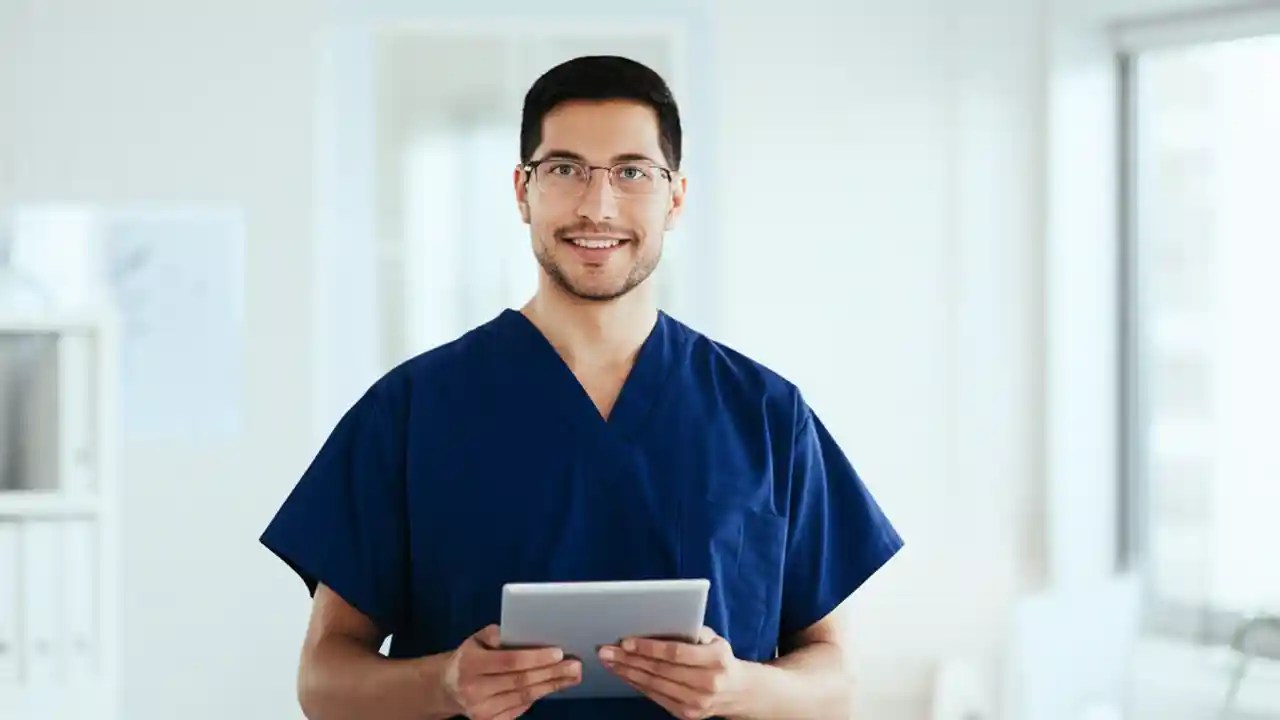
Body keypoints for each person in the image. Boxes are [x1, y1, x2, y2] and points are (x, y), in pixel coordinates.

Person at [260, 55, 903, 720]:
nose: (597, 206)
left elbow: (837, 682)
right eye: (565, 169)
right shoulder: (410, 412)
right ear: (522, 190)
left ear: (675, 196)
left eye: (632, 172)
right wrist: (447, 682)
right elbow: (323, 681)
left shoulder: (766, 415)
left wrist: (738, 687)